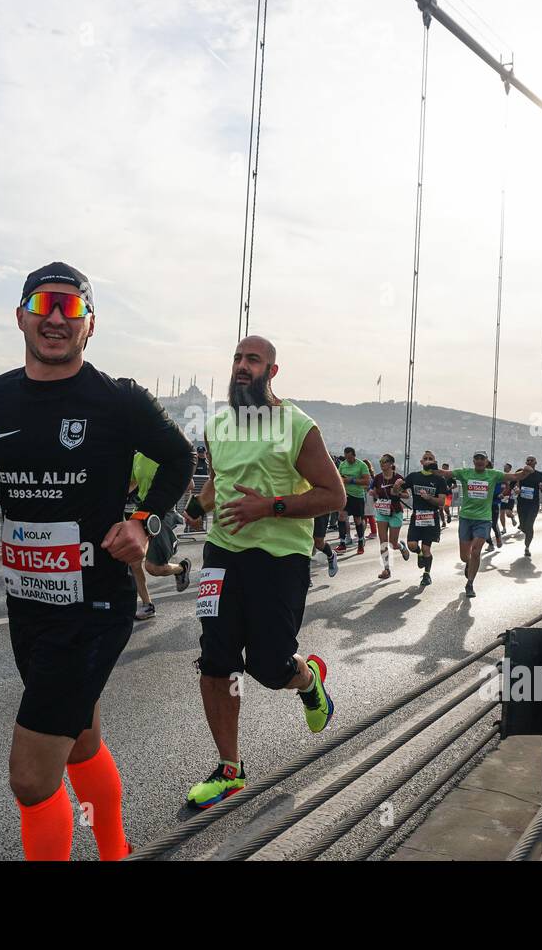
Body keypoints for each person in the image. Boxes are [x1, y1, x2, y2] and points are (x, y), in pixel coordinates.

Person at [0, 261, 194, 860]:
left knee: (31, 775)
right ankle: (116, 852)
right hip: (28, 601)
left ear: (89, 325)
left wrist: (144, 522)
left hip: (95, 604)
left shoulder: (118, 399)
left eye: (70, 309)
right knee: (78, 744)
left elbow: (179, 460)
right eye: (43, 304)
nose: (54, 318)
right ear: (20, 315)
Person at [184, 335, 343, 810]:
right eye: (236, 358)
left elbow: (332, 495)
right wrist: (197, 507)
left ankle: (309, 681)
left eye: (252, 360)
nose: (241, 366)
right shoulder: (217, 426)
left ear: (272, 371)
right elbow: (219, 482)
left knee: (269, 666)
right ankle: (229, 769)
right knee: (216, 659)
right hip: (223, 554)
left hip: (280, 560)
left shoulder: (296, 425)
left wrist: (268, 507)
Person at [446, 451, 532, 597]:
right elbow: (445, 473)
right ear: (473, 461)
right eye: (477, 458)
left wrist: (527, 471)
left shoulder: (493, 474)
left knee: (476, 551)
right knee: (464, 556)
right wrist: (430, 468)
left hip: (484, 519)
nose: (479, 461)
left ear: (486, 461)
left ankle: (470, 583)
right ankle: (469, 563)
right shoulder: (464, 473)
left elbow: (516, 477)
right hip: (466, 518)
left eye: (482, 458)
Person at [127, 452, 193, 621]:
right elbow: (132, 483)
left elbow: (190, 484)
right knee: (134, 561)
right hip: (141, 510)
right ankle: (147, 605)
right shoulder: (137, 457)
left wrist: (168, 495)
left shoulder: (167, 452)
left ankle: (181, 568)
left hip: (162, 512)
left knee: (154, 568)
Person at [399, 450, 449, 588]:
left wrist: (429, 498)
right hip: (417, 516)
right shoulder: (414, 477)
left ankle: (427, 575)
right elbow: (399, 490)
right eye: (425, 458)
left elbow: (441, 502)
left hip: (431, 518)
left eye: (430, 458)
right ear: (421, 462)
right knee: (412, 545)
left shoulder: (440, 480)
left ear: (434, 462)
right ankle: (418, 553)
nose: (428, 460)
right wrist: (397, 486)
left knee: (427, 549)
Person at [370, 453, 411, 579]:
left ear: (391, 464)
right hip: (382, 512)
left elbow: (407, 495)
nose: (382, 463)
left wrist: (397, 493)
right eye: (381, 461)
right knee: (383, 542)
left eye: (385, 461)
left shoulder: (398, 478)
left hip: (395, 512)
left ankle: (402, 546)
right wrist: (373, 493)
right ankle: (386, 569)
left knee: (393, 544)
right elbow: (372, 490)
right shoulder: (377, 478)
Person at [335, 446, 371, 556]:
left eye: (350, 458)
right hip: (345, 495)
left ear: (354, 456)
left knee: (357, 520)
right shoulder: (343, 464)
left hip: (357, 496)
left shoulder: (361, 465)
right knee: (341, 517)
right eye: (346, 458)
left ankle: (360, 542)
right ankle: (342, 543)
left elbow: (367, 481)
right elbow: (339, 477)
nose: (348, 461)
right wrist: (341, 480)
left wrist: (351, 480)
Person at [515, 456, 542, 558]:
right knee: (524, 526)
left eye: (531, 460)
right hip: (521, 503)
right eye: (528, 460)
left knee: (529, 526)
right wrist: (516, 489)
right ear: (525, 462)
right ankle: (524, 528)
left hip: (533, 504)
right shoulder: (520, 472)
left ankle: (527, 547)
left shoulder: (540, 475)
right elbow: (513, 485)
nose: (529, 462)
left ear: (535, 462)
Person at [362, 457, 378, 539]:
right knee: (366, 515)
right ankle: (362, 531)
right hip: (368, 496)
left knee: (369, 515)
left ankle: (374, 532)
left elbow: (368, 486)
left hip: (368, 496)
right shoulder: (371, 475)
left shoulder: (367, 475)